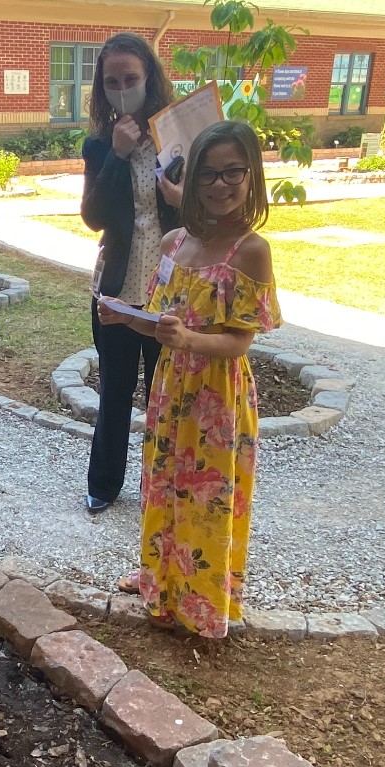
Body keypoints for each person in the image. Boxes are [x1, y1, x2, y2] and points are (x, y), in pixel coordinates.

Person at [97, 121, 279, 638]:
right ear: (192, 178)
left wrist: (190, 342)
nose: (219, 185)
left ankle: (201, 603)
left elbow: (242, 341)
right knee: (164, 484)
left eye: (232, 173)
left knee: (208, 496)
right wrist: (124, 316)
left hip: (217, 396)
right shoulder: (175, 242)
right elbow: (162, 319)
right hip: (171, 386)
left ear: (251, 177)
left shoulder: (250, 250)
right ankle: (160, 576)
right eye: (208, 174)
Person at [80, 32, 180, 516]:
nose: (122, 87)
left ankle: (165, 484)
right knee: (115, 389)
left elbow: (206, 214)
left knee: (168, 392)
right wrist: (117, 156)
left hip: (171, 291)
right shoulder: (99, 145)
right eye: (112, 81)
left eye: (131, 79)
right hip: (118, 286)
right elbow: (94, 216)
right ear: (102, 87)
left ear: (150, 78)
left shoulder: (178, 135)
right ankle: (104, 483)